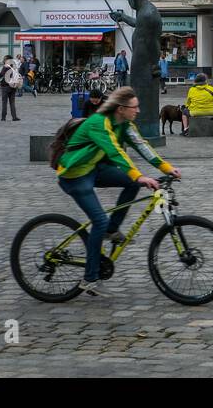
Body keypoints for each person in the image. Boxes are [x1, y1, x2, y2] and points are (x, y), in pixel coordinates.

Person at [56, 86, 181, 296]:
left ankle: (111, 230)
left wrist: (166, 168)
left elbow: (142, 146)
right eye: (135, 107)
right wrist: (139, 175)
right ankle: (90, 277)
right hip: (75, 175)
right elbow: (115, 152)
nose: (138, 110)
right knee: (99, 220)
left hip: (94, 168)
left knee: (132, 185)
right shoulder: (99, 123)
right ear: (121, 108)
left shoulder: (125, 124)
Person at [0, 56, 21, 122]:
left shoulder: (6, 67)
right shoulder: (14, 67)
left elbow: (1, 75)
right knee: (12, 102)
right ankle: (14, 117)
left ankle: (3, 117)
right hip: (13, 86)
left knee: (4, 102)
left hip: (5, 86)